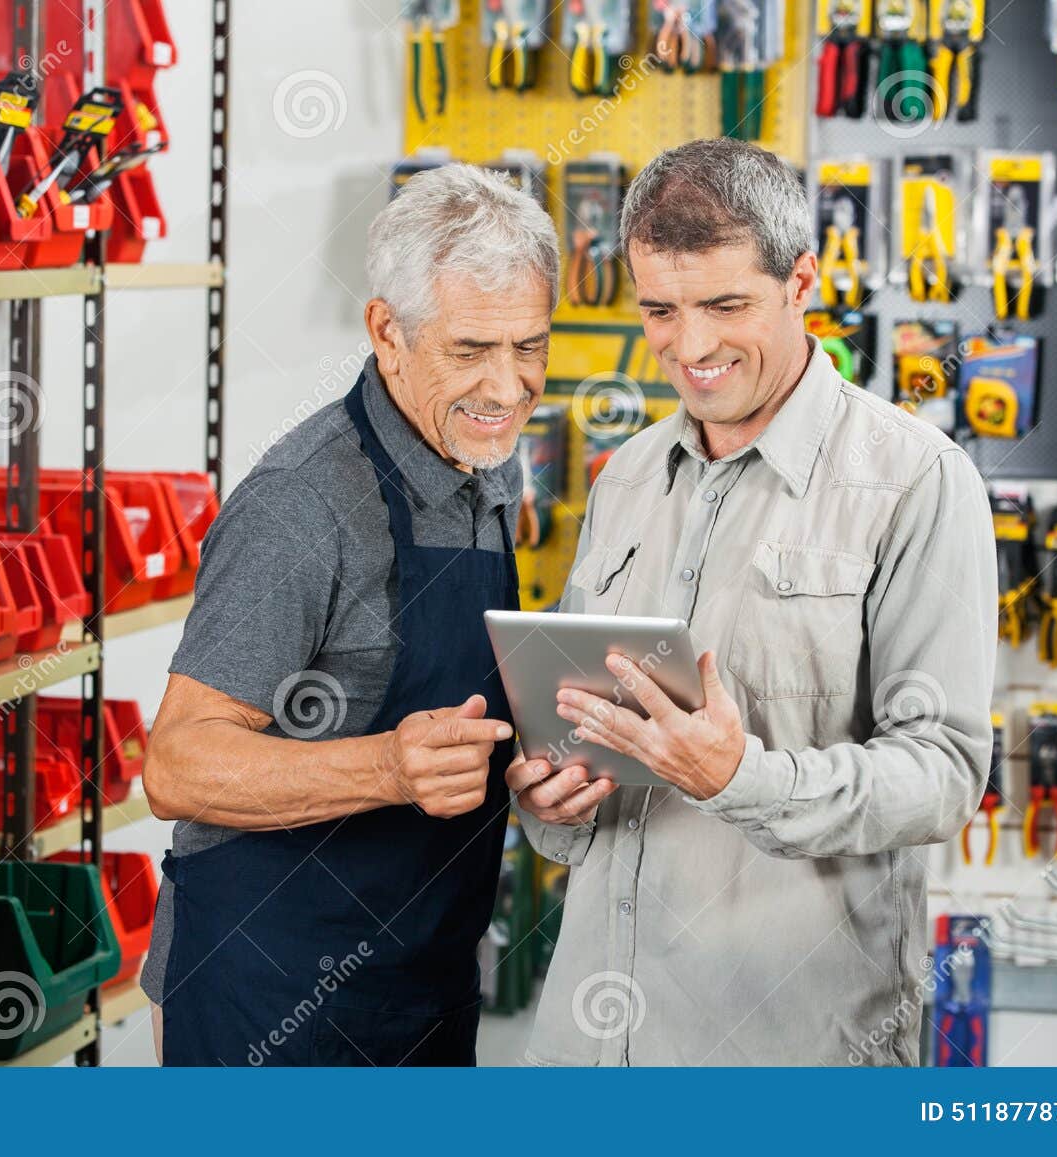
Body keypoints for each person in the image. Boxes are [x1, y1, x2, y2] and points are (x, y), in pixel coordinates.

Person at [509, 138, 997, 1066]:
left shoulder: (916, 481)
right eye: (661, 309)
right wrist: (550, 797)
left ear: (801, 279)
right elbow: (571, 743)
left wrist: (741, 778)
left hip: (785, 1053)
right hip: (587, 1043)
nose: (690, 347)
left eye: (726, 305)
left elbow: (942, 776)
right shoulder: (628, 480)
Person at [140, 164, 559, 1066]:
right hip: (266, 995)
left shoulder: (487, 465)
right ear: (387, 332)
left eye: (530, 346)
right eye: (473, 348)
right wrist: (388, 767)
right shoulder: (301, 504)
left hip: (424, 987)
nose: (508, 385)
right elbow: (176, 763)